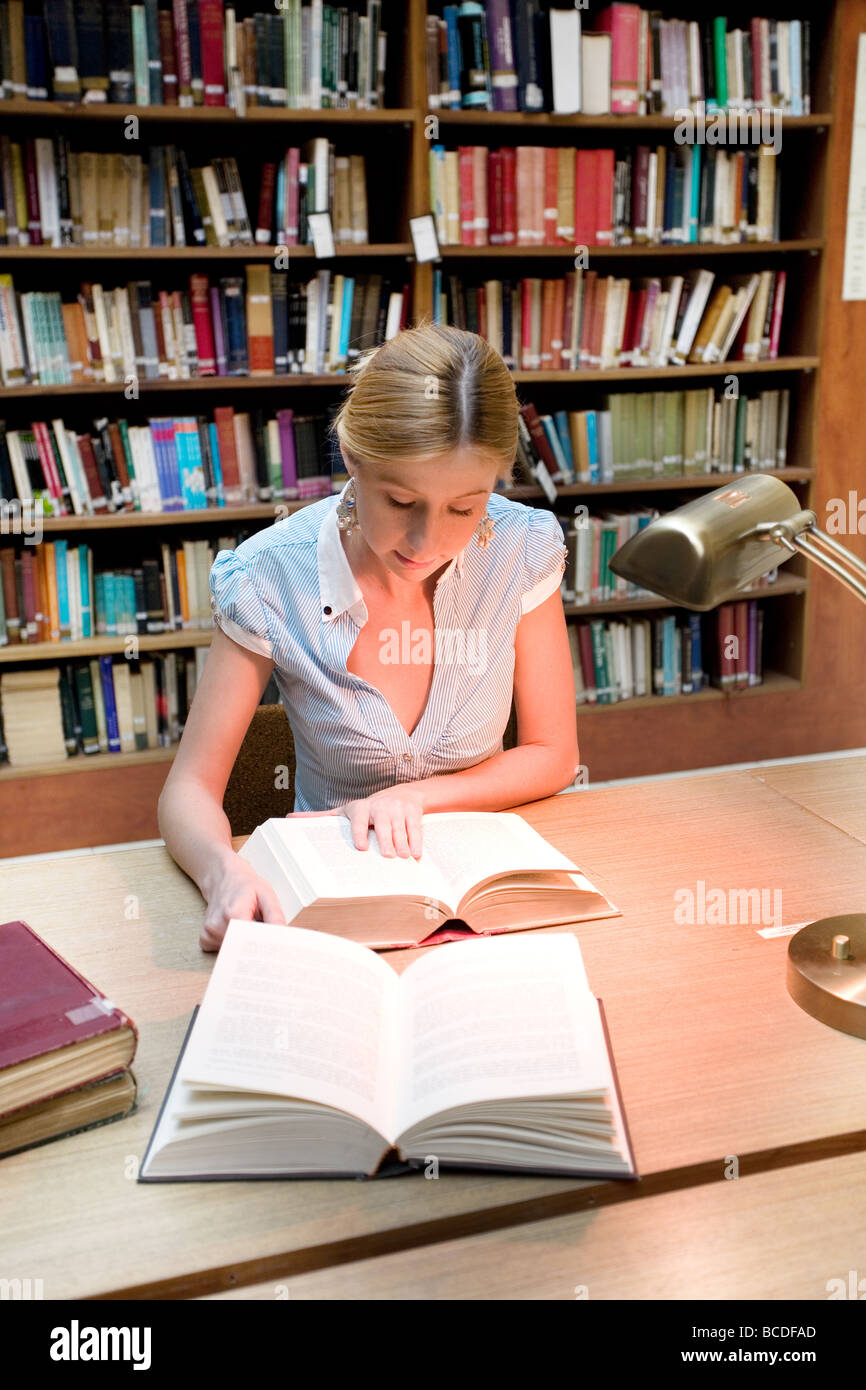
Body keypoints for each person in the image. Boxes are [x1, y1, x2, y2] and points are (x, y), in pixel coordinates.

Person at [158, 322, 579, 950]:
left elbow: (553, 753)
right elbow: (190, 788)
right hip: (338, 911)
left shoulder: (522, 547)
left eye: (465, 508)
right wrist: (223, 873)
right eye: (400, 501)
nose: (425, 542)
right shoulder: (269, 575)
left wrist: (417, 798)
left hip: (486, 902)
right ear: (352, 460)